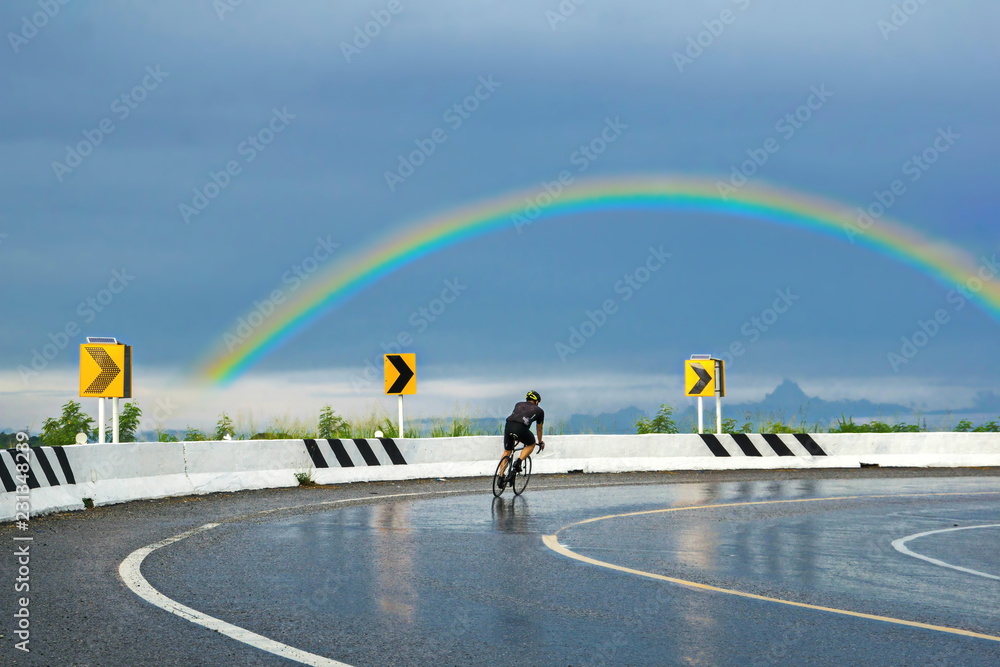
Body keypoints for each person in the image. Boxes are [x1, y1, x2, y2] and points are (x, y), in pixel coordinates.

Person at [499, 390, 545, 485]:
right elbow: (539, 429)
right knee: (531, 444)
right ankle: (518, 462)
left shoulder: (518, 404)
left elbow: (516, 417)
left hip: (508, 426)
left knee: (507, 452)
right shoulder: (539, 411)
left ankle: (500, 476)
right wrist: (540, 441)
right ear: (536, 401)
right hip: (521, 428)